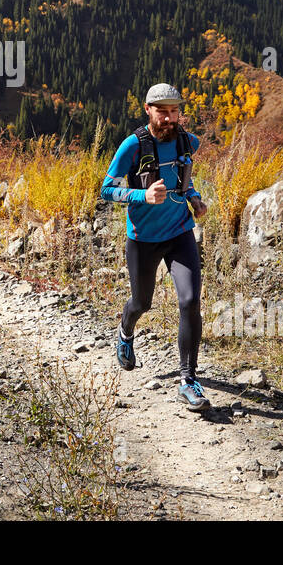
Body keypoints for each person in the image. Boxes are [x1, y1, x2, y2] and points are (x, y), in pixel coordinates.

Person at [99, 83, 210, 411]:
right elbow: (107, 189)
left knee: (190, 301)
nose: (169, 118)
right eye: (162, 112)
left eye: (175, 111)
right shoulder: (133, 146)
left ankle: (188, 381)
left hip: (180, 233)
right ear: (148, 110)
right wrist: (141, 196)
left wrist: (194, 199)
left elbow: (184, 180)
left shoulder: (186, 142)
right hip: (143, 240)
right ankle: (125, 328)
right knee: (142, 302)